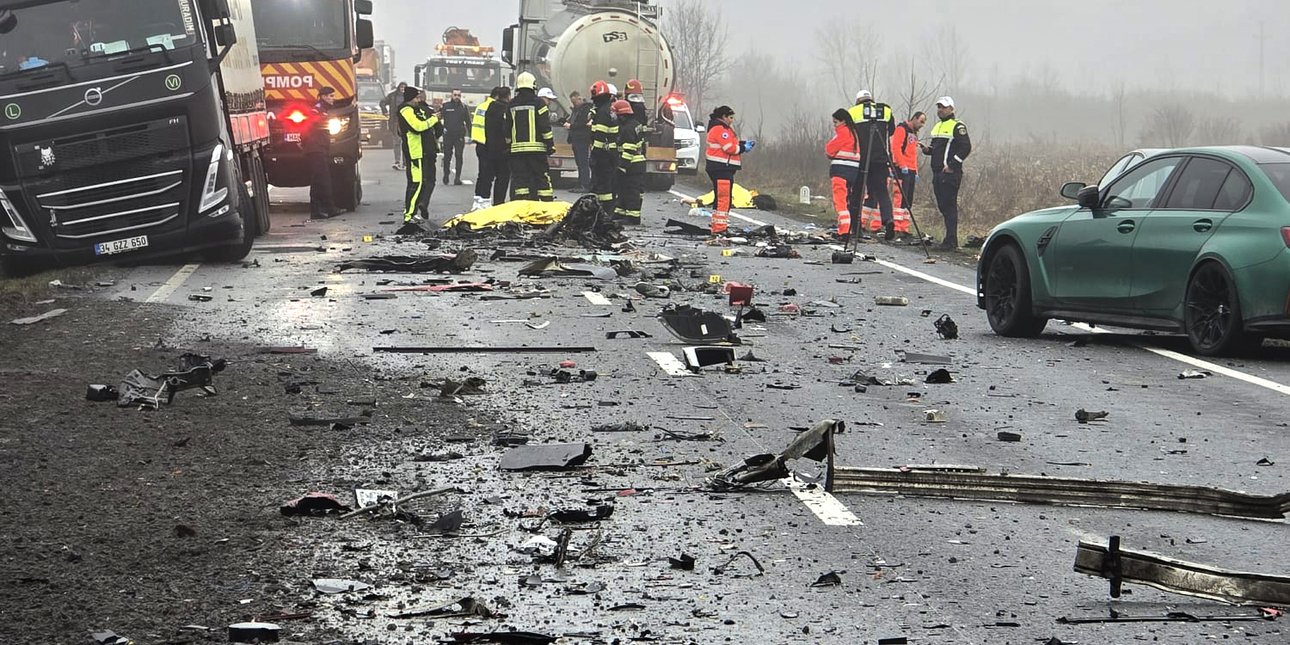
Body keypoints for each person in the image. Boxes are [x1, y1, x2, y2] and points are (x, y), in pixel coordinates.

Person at [847, 90, 896, 240]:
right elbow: (892, 130)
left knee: (857, 193)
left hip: (861, 159)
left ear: (858, 101)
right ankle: (888, 219)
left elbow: (849, 135)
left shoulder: (852, 112)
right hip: (881, 159)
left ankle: (856, 228)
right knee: (882, 191)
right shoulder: (885, 111)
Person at [924, 96, 971, 249]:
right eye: (938, 107)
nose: (940, 110)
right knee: (943, 206)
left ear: (951, 109)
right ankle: (949, 239)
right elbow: (935, 149)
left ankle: (951, 241)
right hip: (937, 173)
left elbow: (966, 147)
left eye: (943, 107)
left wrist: (952, 164)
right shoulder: (937, 126)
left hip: (950, 174)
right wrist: (927, 150)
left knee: (949, 206)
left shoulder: (957, 126)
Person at [705, 105, 753, 235]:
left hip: (721, 167)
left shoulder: (720, 128)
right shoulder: (720, 129)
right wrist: (743, 148)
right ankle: (719, 228)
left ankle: (717, 226)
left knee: (721, 198)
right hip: (721, 168)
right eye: (730, 117)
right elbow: (729, 148)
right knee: (724, 199)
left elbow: (730, 145)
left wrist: (742, 144)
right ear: (724, 117)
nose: (732, 120)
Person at [398, 86, 442, 223]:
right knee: (415, 184)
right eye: (416, 98)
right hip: (414, 151)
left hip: (422, 151)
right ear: (410, 98)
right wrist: (434, 119)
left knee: (419, 183)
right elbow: (417, 127)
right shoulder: (405, 110)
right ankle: (409, 215)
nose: (418, 100)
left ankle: (412, 213)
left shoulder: (417, 109)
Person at [508, 72, 554, 202]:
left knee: (521, 181)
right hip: (537, 151)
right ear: (533, 85)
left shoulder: (512, 104)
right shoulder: (539, 104)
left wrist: (508, 145)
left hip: (517, 152)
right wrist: (550, 145)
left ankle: (523, 207)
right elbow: (545, 127)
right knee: (541, 179)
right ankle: (547, 207)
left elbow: (506, 127)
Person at [473, 86, 512, 210]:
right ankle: (498, 203)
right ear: (507, 96)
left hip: (488, 147)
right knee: (502, 177)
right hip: (502, 149)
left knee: (486, 175)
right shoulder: (505, 110)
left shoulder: (487, 107)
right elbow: (506, 129)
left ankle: (482, 201)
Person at [305, 87, 340, 219]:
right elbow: (311, 123)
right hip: (316, 150)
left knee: (318, 181)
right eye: (331, 96)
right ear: (323, 97)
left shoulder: (324, 110)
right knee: (322, 180)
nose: (333, 98)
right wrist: (323, 120)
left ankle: (317, 210)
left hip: (320, 149)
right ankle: (328, 209)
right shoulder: (317, 110)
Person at [825, 108, 860, 237]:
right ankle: (847, 227)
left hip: (841, 171)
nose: (834, 125)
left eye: (835, 122)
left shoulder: (843, 132)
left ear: (843, 121)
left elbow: (829, 149)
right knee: (847, 200)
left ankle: (844, 230)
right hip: (853, 172)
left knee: (840, 201)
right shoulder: (855, 133)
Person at [588, 80, 619, 213]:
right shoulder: (609, 110)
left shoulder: (602, 112)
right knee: (607, 184)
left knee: (603, 185)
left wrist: (594, 156)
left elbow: (600, 137)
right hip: (610, 154)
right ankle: (605, 210)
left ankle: (605, 212)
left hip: (603, 156)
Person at [613, 99, 645, 224]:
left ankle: (633, 217)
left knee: (631, 191)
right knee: (624, 189)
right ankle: (620, 212)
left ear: (621, 115)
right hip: (637, 163)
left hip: (632, 165)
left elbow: (629, 149)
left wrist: (622, 166)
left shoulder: (627, 129)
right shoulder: (636, 124)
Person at [892, 111, 926, 213]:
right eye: (921, 121)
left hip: (911, 170)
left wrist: (915, 171)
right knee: (900, 200)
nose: (922, 125)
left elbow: (913, 154)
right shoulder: (902, 129)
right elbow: (896, 148)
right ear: (914, 118)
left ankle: (904, 226)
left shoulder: (914, 133)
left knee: (908, 201)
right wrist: (902, 166)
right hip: (902, 169)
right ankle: (897, 225)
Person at [438, 88, 469, 185]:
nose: (457, 97)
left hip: (459, 135)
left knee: (459, 156)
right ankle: (446, 175)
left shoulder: (464, 107)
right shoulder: (446, 106)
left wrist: (471, 135)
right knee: (447, 156)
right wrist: (439, 132)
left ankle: (457, 178)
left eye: (459, 95)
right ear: (451, 95)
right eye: (455, 95)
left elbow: (468, 122)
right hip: (448, 135)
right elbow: (438, 118)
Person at [567, 91, 593, 193]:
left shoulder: (586, 109)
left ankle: (585, 184)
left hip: (582, 139)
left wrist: (571, 126)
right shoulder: (576, 110)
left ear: (579, 98)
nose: (574, 104)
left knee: (583, 163)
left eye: (574, 102)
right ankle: (580, 183)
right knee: (579, 163)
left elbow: (583, 123)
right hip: (576, 139)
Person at [381, 82, 407, 170]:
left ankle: (405, 162)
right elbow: (382, 102)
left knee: (405, 142)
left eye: (404, 87)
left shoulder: (409, 97)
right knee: (397, 141)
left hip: (406, 122)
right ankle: (397, 161)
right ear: (398, 87)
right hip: (395, 121)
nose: (402, 88)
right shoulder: (392, 96)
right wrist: (384, 111)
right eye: (401, 87)